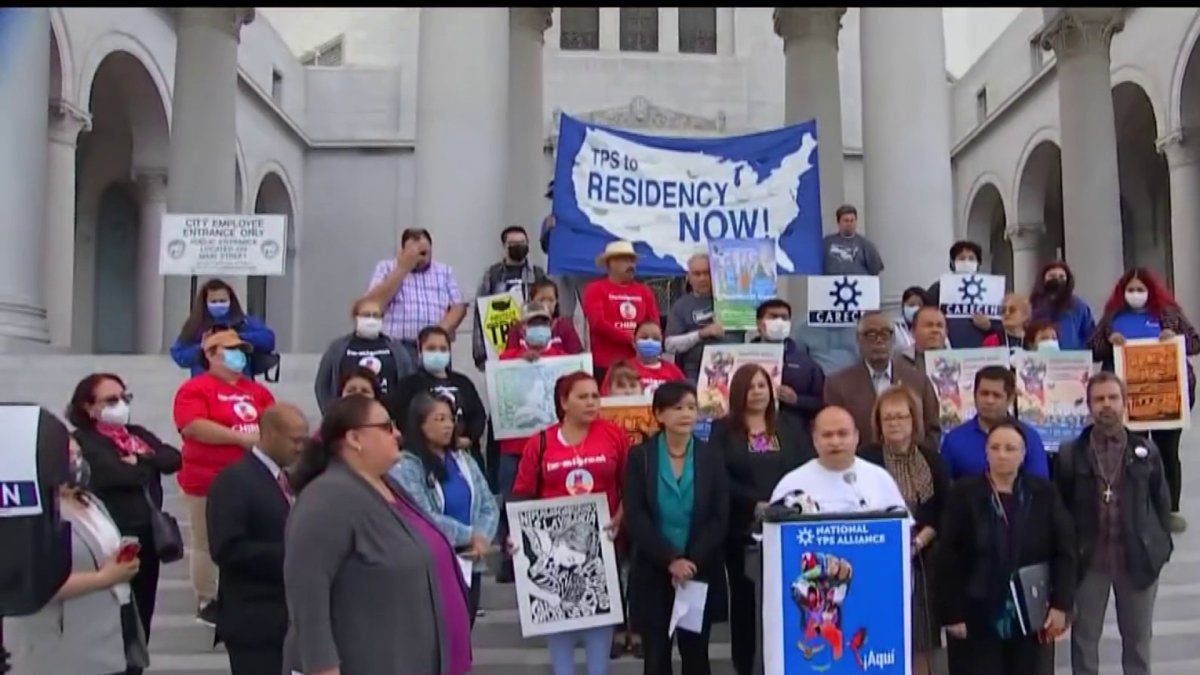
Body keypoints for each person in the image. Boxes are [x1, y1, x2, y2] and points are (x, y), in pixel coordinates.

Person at [284, 396, 472, 675]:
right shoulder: (325, 498)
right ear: (355, 438)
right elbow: (307, 596)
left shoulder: (387, 484)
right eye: (386, 426)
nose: (397, 433)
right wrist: (322, 668)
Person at [511, 371, 629, 675]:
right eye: (582, 396)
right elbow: (523, 493)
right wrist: (518, 535)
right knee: (559, 617)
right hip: (555, 548)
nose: (591, 402)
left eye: (594, 396)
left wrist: (621, 515)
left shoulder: (613, 434)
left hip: (602, 543)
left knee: (600, 617)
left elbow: (630, 484)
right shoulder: (540, 441)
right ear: (564, 402)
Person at [1056, 373, 1173, 675]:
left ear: (1124, 402)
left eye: (1112, 398)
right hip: (1089, 562)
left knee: (1137, 642)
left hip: (1137, 560)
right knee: (1084, 642)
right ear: (1089, 406)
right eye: (1099, 399)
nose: (1106, 405)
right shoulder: (1071, 453)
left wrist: (1160, 548)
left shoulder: (1146, 452)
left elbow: (1161, 505)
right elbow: (1061, 509)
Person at [940, 420, 1075, 675]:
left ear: (1024, 454)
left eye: (1010, 448)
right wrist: (951, 613)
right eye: (995, 447)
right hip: (976, 612)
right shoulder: (963, 493)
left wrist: (1061, 604)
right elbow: (948, 556)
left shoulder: (1044, 492)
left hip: (1030, 611)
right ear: (986, 452)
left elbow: (1064, 550)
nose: (1002, 454)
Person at [5, 437, 149, 675]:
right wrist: (104, 577)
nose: (76, 462)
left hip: (112, 632)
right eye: (68, 455)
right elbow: (32, 581)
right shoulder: (29, 514)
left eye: (78, 454)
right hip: (61, 646)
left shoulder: (91, 502)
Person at [709, 364, 813, 675]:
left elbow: (805, 467)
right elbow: (718, 476)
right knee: (746, 602)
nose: (757, 392)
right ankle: (745, 664)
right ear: (739, 392)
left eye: (762, 385)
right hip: (742, 531)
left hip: (786, 530)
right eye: (751, 386)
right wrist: (753, 503)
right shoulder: (722, 430)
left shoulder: (789, 426)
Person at [623, 381, 729, 675]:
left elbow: (719, 516)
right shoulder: (640, 457)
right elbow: (636, 515)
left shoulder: (710, 456)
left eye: (691, 407)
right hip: (655, 571)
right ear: (659, 414)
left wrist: (691, 561)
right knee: (656, 657)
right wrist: (670, 560)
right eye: (677, 407)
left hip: (698, 570)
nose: (686, 414)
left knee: (696, 655)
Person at [172, 328, 276, 625]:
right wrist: (238, 438)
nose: (238, 355)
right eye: (230, 349)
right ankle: (208, 599)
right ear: (210, 354)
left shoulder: (256, 391)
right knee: (205, 540)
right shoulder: (196, 389)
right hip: (207, 478)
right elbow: (192, 425)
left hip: (252, 479)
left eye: (241, 350)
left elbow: (275, 420)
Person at [68, 373, 181, 640]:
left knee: (143, 612)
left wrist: (140, 459)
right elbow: (118, 475)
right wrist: (146, 463)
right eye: (111, 400)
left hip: (148, 535)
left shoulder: (135, 434)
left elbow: (173, 458)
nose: (120, 405)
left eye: (124, 398)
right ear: (88, 406)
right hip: (112, 536)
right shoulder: (84, 440)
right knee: (118, 617)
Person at [1088, 267, 1198, 532]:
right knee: (1131, 452)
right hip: (1127, 398)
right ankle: (1134, 507)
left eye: (1140, 289)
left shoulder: (1168, 314)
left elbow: (1195, 342)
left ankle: (1169, 508)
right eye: (1131, 289)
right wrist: (1108, 341)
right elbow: (1092, 348)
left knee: (1167, 452)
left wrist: (1175, 339)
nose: (1135, 294)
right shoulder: (1113, 317)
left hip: (1165, 396)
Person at [206, 404, 309, 675]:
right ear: (271, 434)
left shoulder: (290, 479)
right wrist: (293, 555)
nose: (301, 448)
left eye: (304, 440)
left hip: (288, 619)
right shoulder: (235, 480)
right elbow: (226, 548)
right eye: (295, 440)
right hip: (255, 623)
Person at [858, 385, 950, 675]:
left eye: (901, 417)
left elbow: (943, 510)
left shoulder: (931, 457)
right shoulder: (866, 459)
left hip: (923, 559)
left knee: (921, 640)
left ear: (914, 420)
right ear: (879, 425)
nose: (895, 423)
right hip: (877, 561)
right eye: (888, 418)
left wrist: (917, 544)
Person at [390, 393, 499, 624]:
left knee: (464, 630)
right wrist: (469, 535)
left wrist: (482, 538)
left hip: (470, 560)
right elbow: (422, 515)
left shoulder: (464, 460)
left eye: (450, 418)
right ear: (420, 424)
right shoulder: (405, 467)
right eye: (439, 419)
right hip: (431, 563)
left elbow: (488, 505)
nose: (448, 425)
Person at [494, 301, 570, 583]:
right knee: (513, 503)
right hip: (515, 446)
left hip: (552, 444)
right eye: (532, 323)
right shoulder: (507, 358)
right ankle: (510, 559)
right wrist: (517, 359)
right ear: (522, 328)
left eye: (543, 322)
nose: (538, 329)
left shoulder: (563, 357)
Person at [823, 311, 941, 450]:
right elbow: (834, 433)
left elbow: (932, 429)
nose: (879, 341)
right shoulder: (838, 385)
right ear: (858, 340)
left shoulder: (918, 380)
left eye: (885, 334)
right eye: (871, 335)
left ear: (893, 339)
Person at [770, 406, 907, 511]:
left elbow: (903, 529)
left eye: (843, 434)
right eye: (827, 435)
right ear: (815, 439)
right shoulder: (792, 483)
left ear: (856, 437)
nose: (835, 442)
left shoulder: (880, 478)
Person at [364, 227, 467, 363]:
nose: (420, 258)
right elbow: (372, 304)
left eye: (424, 253)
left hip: (432, 347)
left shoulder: (444, 271)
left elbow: (458, 307)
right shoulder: (386, 268)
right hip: (396, 346)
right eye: (413, 253)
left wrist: (438, 333)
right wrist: (402, 269)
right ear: (402, 251)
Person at [393, 326, 487, 467]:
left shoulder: (462, 382)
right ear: (420, 350)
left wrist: (468, 438)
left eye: (442, 349)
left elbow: (478, 415)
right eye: (431, 348)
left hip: (464, 455)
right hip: (423, 458)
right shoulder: (408, 385)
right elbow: (401, 419)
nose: (437, 353)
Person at [940, 366, 1050, 480]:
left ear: (1010, 399)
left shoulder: (1029, 437)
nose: (989, 400)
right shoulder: (954, 440)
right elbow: (945, 488)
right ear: (974, 395)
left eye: (996, 395)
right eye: (984, 393)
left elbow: (1040, 487)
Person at [314, 296, 415, 419]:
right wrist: (331, 415)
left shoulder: (397, 349)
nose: (371, 320)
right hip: (348, 416)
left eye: (376, 315)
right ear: (356, 317)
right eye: (366, 315)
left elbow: (408, 384)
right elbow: (322, 385)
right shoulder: (337, 348)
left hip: (387, 416)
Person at [582, 240, 660, 383]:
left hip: (638, 363)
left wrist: (647, 341)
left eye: (632, 260)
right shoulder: (595, 289)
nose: (630, 264)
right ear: (609, 263)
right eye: (624, 260)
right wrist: (630, 338)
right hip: (606, 363)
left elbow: (654, 323)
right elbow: (598, 323)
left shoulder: (644, 291)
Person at [471, 225, 547, 369]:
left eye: (522, 243)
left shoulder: (538, 274)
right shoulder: (492, 274)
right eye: (513, 244)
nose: (519, 247)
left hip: (534, 344)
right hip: (500, 347)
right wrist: (480, 353)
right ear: (504, 246)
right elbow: (480, 314)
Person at [170, 279, 276, 377]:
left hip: (240, 384)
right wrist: (204, 346)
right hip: (205, 386)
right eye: (214, 301)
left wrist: (235, 338)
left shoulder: (244, 322)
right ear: (204, 303)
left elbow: (268, 339)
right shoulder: (195, 325)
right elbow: (178, 354)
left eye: (222, 301)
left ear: (231, 300)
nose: (219, 304)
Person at [665, 253, 744, 382]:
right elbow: (669, 345)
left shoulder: (736, 301)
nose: (702, 278)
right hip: (695, 372)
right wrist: (701, 334)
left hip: (734, 368)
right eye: (697, 274)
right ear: (689, 278)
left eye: (707, 273)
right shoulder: (681, 306)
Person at [752, 298, 825, 425]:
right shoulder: (742, 356)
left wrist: (797, 400)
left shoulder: (806, 363)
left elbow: (821, 401)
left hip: (792, 429)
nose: (780, 322)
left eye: (784, 318)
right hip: (749, 427)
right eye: (773, 317)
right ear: (759, 323)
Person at [925, 240, 996, 349]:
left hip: (983, 350)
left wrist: (989, 326)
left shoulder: (992, 289)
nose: (966, 262)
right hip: (946, 349)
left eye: (971, 258)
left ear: (978, 263)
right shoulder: (938, 288)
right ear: (953, 263)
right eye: (961, 258)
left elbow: (1003, 324)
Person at [600, 319, 685, 396]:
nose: (650, 341)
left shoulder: (673, 371)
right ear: (634, 341)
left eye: (656, 339)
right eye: (644, 337)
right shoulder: (621, 368)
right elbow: (605, 398)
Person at [504, 277, 585, 355]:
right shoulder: (518, 329)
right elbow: (507, 359)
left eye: (551, 300)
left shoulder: (564, 327)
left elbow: (577, 356)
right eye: (541, 300)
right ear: (532, 301)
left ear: (556, 302)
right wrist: (522, 355)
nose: (546, 304)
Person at [1029, 261, 1096, 351]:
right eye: (1052, 276)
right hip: (1039, 359)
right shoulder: (1033, 305)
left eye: (1061, 276)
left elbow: (1090, 336)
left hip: (1072, 360)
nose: (1057, 279)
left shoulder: (1079, 307)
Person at [821, 203, 885, 276]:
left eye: (852, 220)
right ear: (838, 222)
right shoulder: (826, 243)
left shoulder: (866, 245)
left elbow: (875, 270)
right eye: (846, 220)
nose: (849, 224)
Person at [901, 306, 949, 373]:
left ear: (946, 332)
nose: (935, 330)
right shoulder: (897, 363)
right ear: (913, 331)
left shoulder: (961, 362)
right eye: (929, 325)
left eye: (939, 325)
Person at [894, 286, 931, 355]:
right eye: (911, 305)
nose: (915, 309)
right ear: (903, 306)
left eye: (920, 305)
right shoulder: (894, 329)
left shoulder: (934, 327)